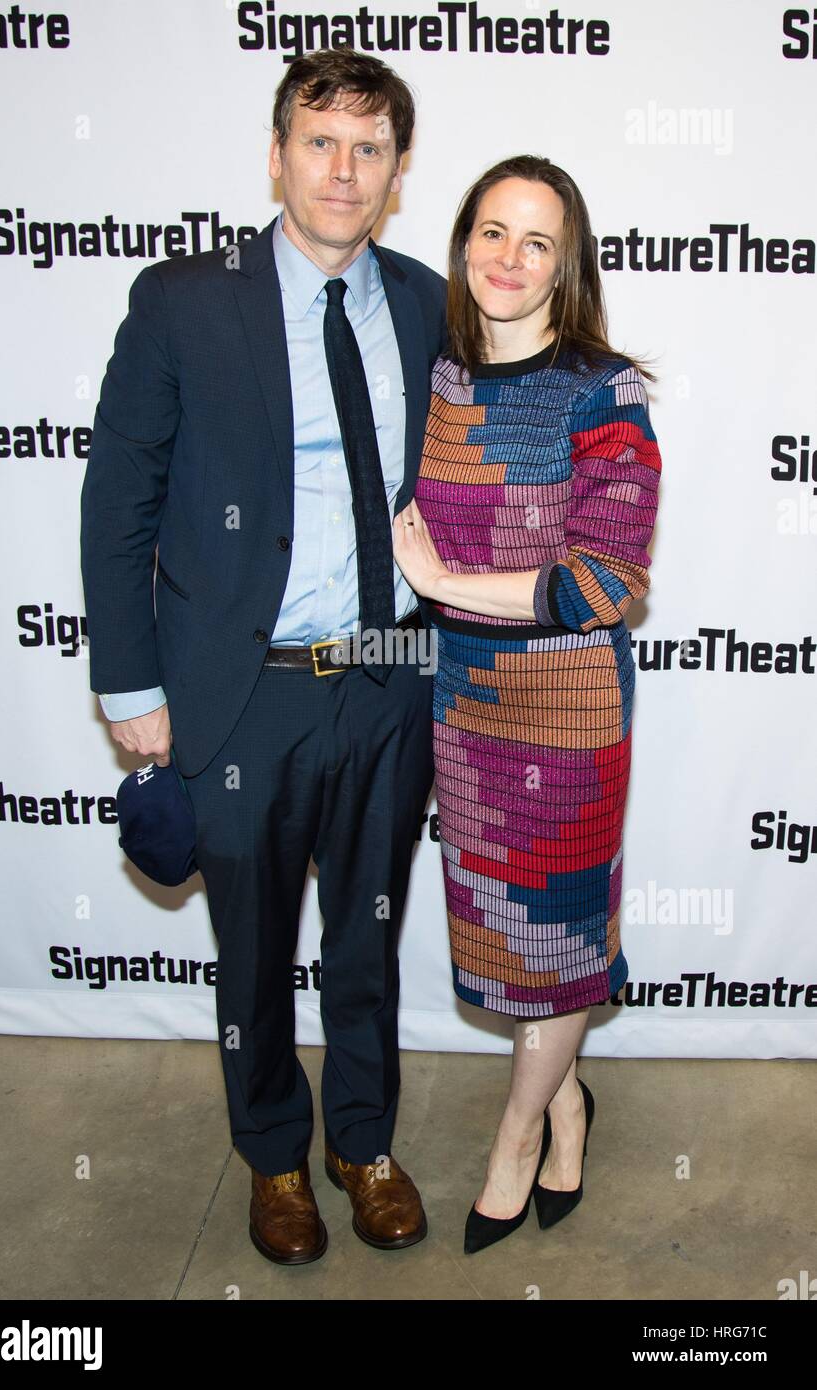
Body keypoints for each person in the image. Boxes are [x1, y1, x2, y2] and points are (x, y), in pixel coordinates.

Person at [80, 47, 448, 1265]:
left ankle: (363, 1140)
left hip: (390, 679)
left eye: (369, 148)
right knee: (252, 948)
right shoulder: (186, 300)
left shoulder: (421, 302)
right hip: (243, 694)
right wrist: (131, 686)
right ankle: (275, 1158)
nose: (343, 169)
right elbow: (117, 500)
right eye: (319, 141)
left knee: (365, 934)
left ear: (396, 171)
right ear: (278, 152)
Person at [392, 155, 662, 1253]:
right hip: (464, 706)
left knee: (552, 944)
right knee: (509, 939)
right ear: (462, 243)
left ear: (567, 265)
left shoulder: (602, 389)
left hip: (567, 710)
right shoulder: (440, 377)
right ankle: (564, 1102)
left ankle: (516, 1135)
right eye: (490, 231)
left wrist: (448, 585)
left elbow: (605, 582)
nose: (507, 257)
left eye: (535, 240)